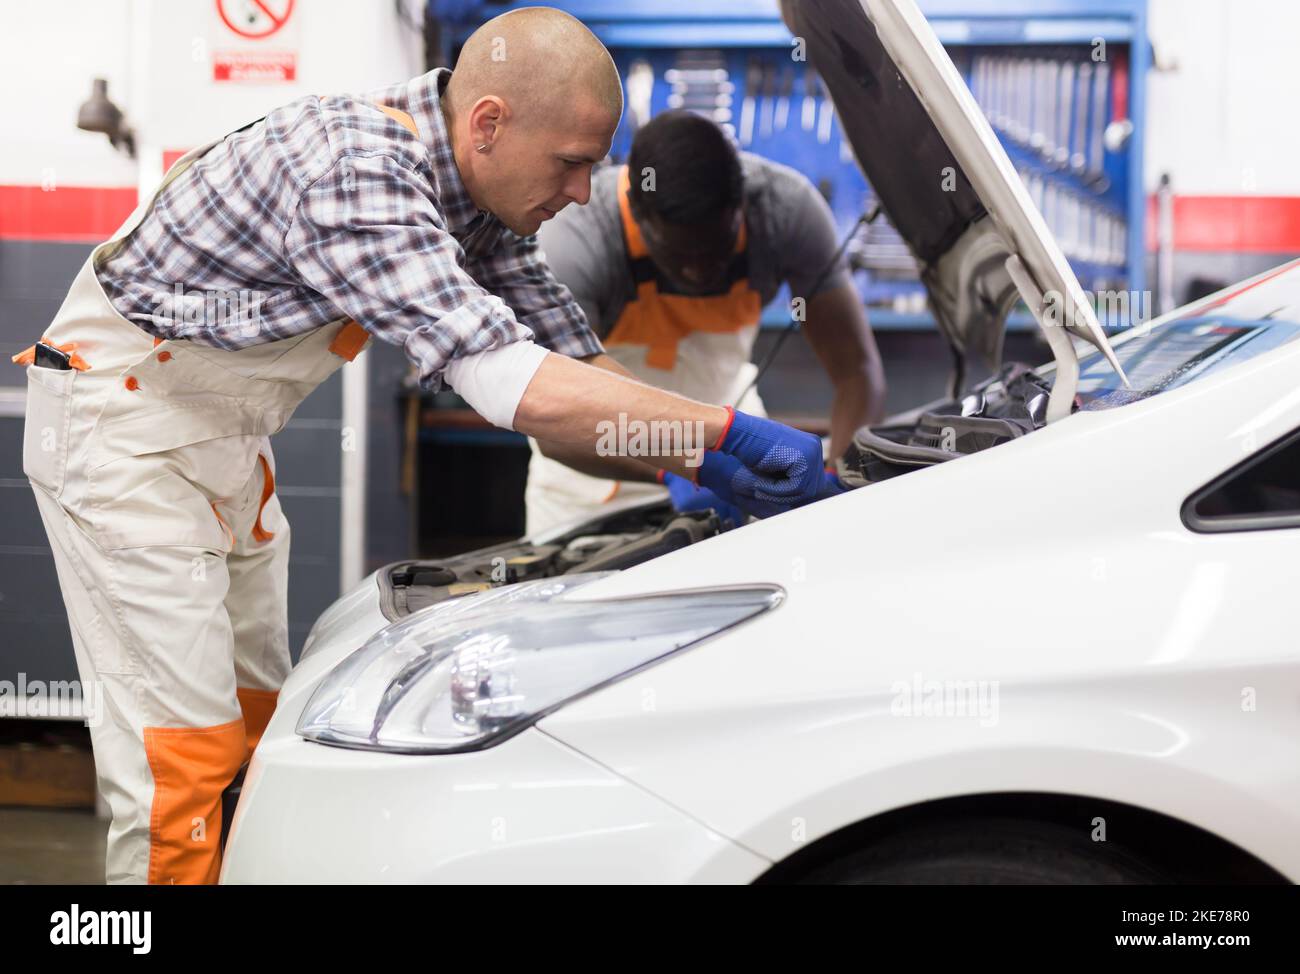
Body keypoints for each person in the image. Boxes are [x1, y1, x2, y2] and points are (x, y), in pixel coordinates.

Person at [12, 8, 825, 884]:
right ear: (488, 125)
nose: (587, 192)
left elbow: (570, 372)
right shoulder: (355, 169)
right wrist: (728, 432)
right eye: (574, 163)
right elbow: (510, 381)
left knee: (255, 724)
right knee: (181, 767)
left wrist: (691, 463)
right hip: (125, 436)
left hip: (220, 445)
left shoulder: (476, 205)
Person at [525, 109, 886, 534]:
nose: (698, 272)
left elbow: (857, 372)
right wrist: (675, 469)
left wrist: (837, 478)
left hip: (735, 454)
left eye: (716, 250)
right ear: (636, 212)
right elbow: (555, 426)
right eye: (678, 255)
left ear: (741, 204)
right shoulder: (576, 242)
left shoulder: (785, 213)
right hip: (595, 476)